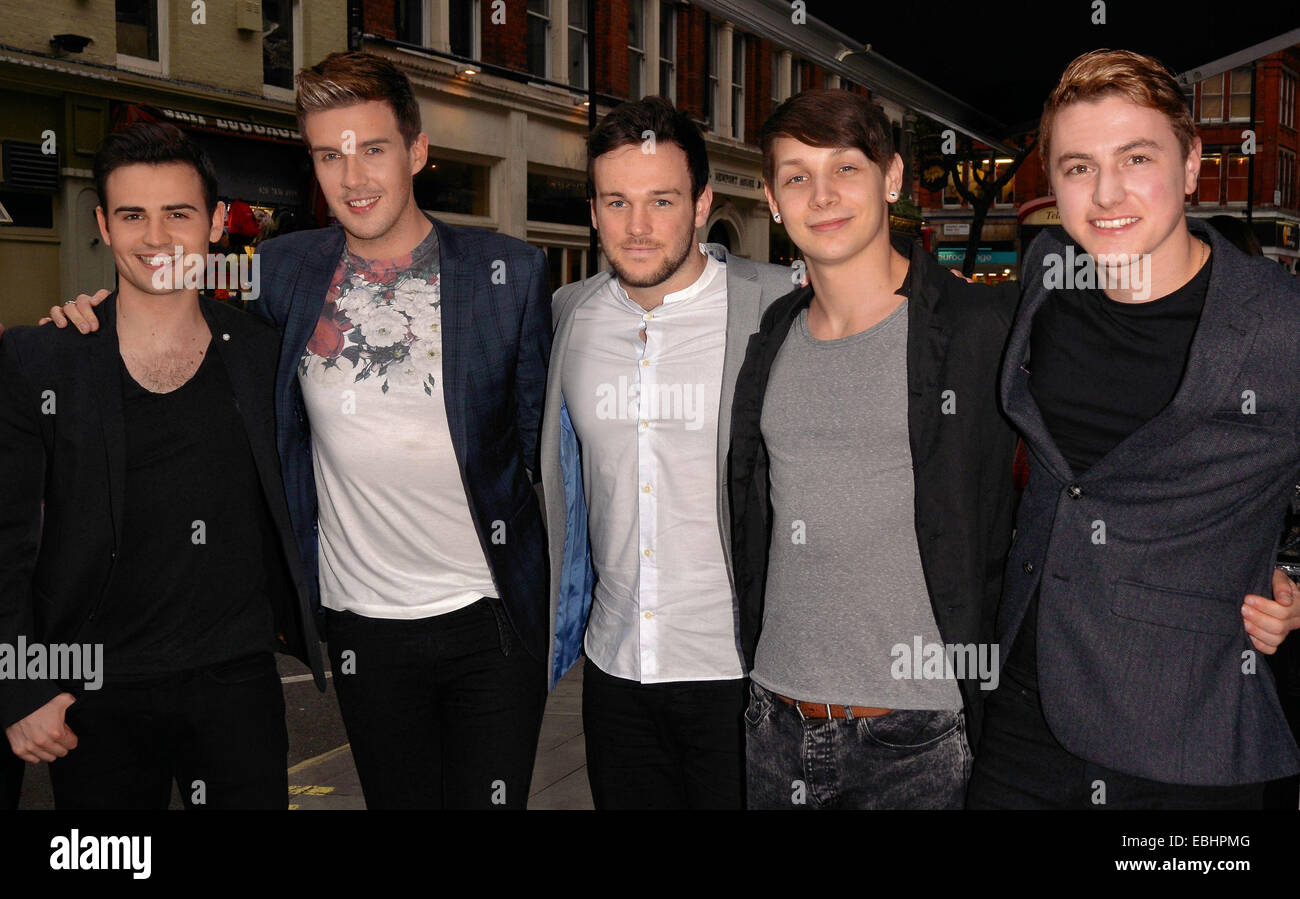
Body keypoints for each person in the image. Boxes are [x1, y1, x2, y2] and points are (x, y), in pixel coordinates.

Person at [43, 52, 553, 810]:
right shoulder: (283, 269)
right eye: (328, 155)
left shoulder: (507, 274)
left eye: (373, 148)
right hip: (361, 627)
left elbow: (536, 440)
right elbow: (172, 295)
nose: (353, 178)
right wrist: (88, 314)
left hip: (491, 622)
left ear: (416, 150)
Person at [967, 49, 1300, 809]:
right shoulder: (1048, 274)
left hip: (1185, 735)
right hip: (1023, 712)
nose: (1107, 193)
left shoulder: (1280, 323)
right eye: (1079, 166)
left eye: (1137, 158)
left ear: (1189, 168)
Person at [1, 122, 325, 809]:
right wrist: (22, 685)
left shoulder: (263, 352)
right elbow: (6, 542)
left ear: (213, 223)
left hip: (237, 685)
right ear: (102, 225)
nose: (155, 238)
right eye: (132, 215)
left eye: (177, 213)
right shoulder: (44, 358)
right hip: (92, 694)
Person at [541, 97, 794, 809]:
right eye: (617, 201)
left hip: (739, 673)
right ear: (593, 209)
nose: (640, 226)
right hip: (615, 670)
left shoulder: (778, 306)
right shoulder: (570, 315)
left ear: (703, 201)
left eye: (662, 199)